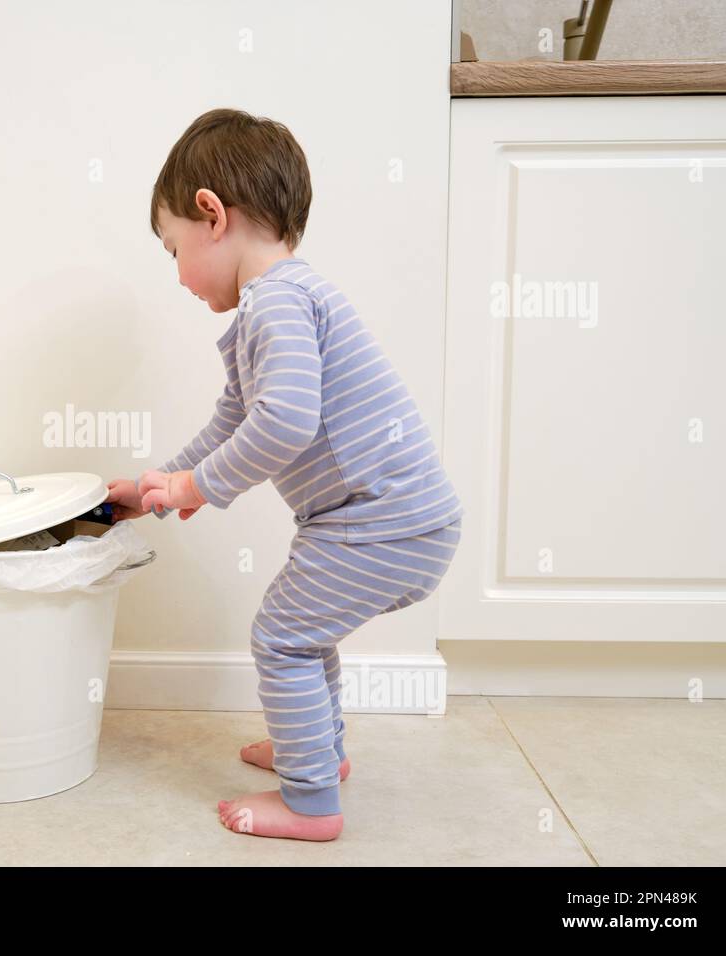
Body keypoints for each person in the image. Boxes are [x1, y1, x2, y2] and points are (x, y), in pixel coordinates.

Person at [105, 108, 463, 842]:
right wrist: (158, 486)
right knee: (305, 633)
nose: (176, 275)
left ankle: (311, 805)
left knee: (282, 638)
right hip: (395, 517)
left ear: (211, 215)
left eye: (172, 249)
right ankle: (317, 753)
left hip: (382, 519)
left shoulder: (277, 303)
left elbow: (288, 422)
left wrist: (198, 489)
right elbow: (235, 421)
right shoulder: (286, 303)